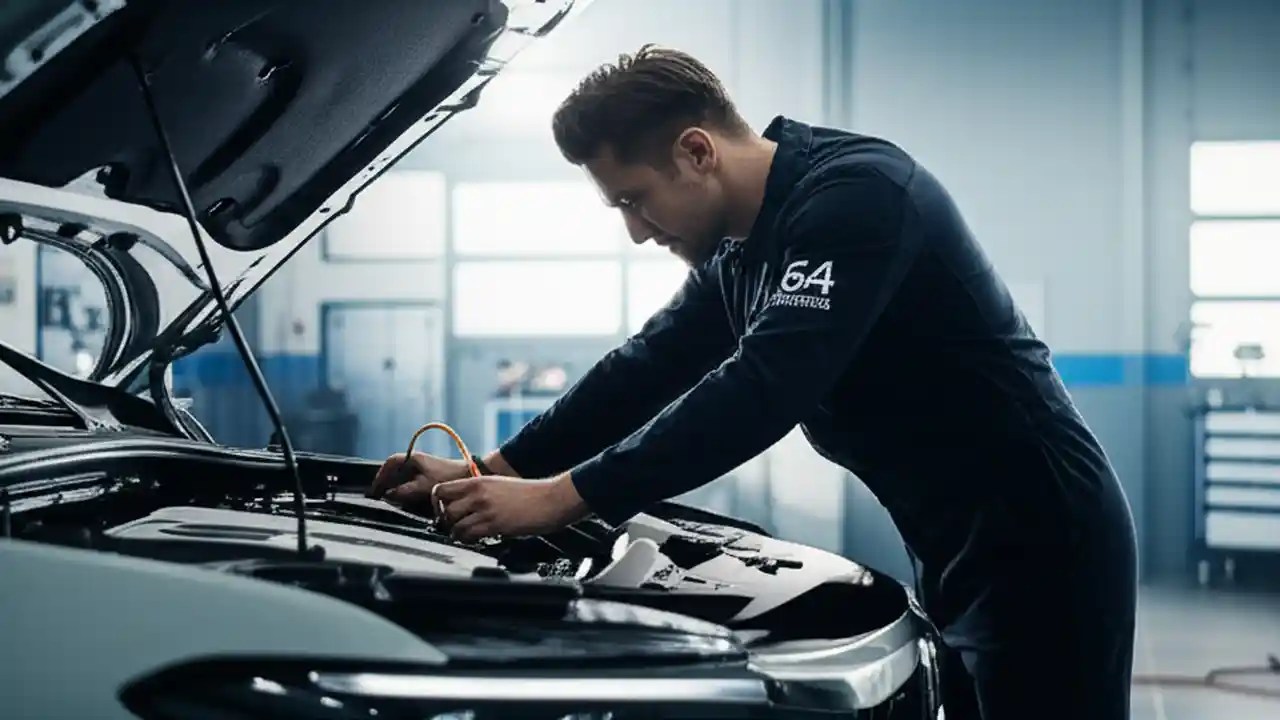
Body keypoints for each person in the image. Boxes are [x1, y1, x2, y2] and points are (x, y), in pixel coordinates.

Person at [369, 45, 1138, 719]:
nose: (636, 230)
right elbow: (646, 367)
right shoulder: (740, 251)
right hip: (951, 540)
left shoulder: (860, 196)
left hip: (1043, 537)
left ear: (698, 151)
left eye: (636, 199)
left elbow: (764, 388)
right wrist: (496, 472)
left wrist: (561, 497)